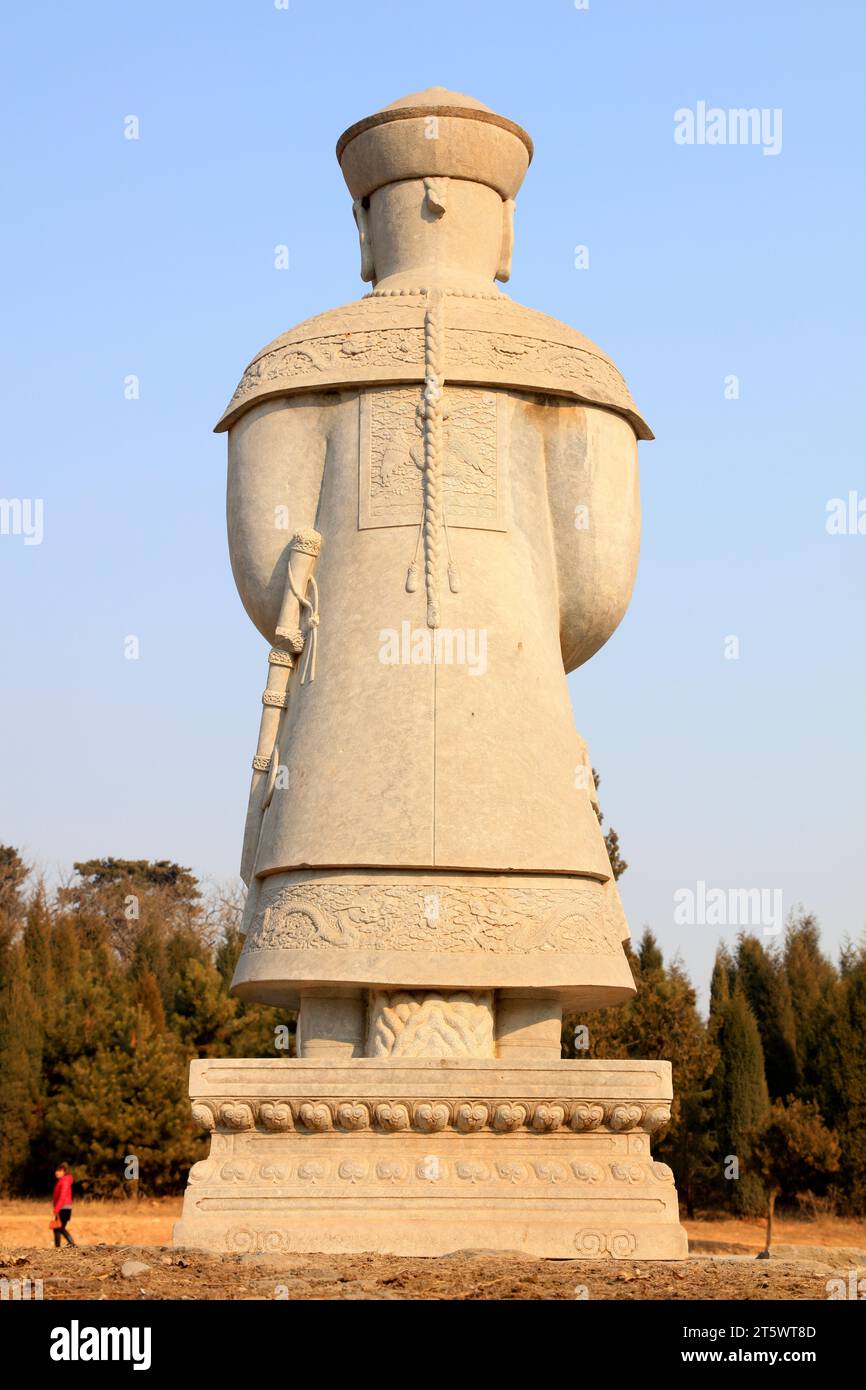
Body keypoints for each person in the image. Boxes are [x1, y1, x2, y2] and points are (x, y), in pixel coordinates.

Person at [51, 1163, 75, 1247]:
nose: (56, 1172)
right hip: (61, 1208)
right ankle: (58, 1248)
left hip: (64, 1208)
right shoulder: (61, 1181)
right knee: (57, 1229)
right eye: (56, 1170)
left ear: (64, 1172)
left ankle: (72, 1244)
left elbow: (62, 1196)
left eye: (59, 1171)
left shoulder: (64, 1181)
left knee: (59, 1228)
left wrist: (56, 1208)